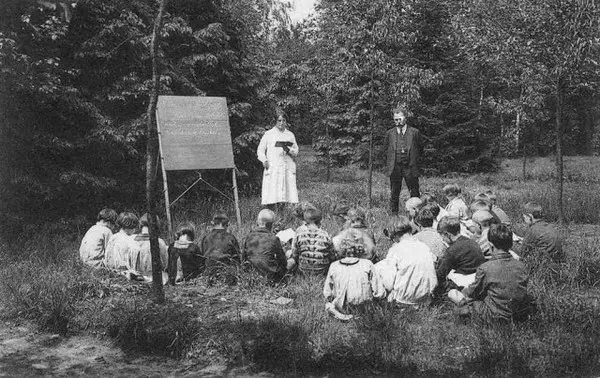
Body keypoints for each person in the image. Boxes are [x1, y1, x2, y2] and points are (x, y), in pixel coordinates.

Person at [448, 224, 532, 324]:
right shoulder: (521, 265)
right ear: (510, 244)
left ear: (491, 246)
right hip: (518, 314)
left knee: (453, 293)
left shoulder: (486, 268)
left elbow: (472, 293)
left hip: (495, 316)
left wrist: (463, 290)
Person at [373, 216, 437, 307]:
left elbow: (389, 284)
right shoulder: (424, 246)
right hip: (426, 298)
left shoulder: (395, 249)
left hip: (404, 299)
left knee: (378, 268)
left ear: (395, 235)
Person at [256, 108, 299, 212]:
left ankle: (282, 216)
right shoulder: (269, 134)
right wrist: (264, 160)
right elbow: (260, 150)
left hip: (286, 167)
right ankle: (271, 216)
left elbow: (296, 150)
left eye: (283, 120)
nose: (281, 123)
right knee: (272, 194)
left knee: (284, 193)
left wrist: (288, 150)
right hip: (273, 167)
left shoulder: (290, 135)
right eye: (279, 120)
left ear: (286, 122)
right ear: (275, 121)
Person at [384, 105, 423, 214]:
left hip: (410, 167)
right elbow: (386, 150)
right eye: (395, 119)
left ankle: (417, 215)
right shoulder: (390, 133)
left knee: (414, 192)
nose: (397, 121)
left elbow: (420, 148)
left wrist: (413, 161)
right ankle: (394, 215)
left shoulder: (415, 132)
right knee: (394, 193)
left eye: (399, 119)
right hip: (395, 167)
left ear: (405, 118)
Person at [323, 239, 375, 320]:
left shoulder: (334, 266)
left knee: (329, 305)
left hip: (341, 308)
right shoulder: (368, 264)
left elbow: (327, 293)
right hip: (364, 308)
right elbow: (379, 292)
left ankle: (342, 315)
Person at [435, 216, 486, 293]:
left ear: (447, 234)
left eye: (442, 236)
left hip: (464, 282)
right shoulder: (472, 242)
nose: (442, 239)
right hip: (479, 278)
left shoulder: (452, 250)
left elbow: (441, 274)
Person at [242, 209, 288, 281]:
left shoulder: (249, 237)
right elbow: (282, 261)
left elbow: (244, 257)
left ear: (257, 222)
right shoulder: (274, 239)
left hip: (251, 276)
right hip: (270, 277)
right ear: (272, 225)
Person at [292, 208, 335, 275]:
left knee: (288, 253)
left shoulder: (299, 234)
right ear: (320, 222)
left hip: (303, 271)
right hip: (322, 271)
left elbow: (294, 253)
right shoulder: (325, 235)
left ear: (305, 222)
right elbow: (332, 255)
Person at [201, 213, 241, 283]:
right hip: (226, 274)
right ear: (227, 224)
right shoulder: (231, 237)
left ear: (212, 223)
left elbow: (203, 257)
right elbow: (237, 258)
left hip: (209, 273)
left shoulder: (206, 238)